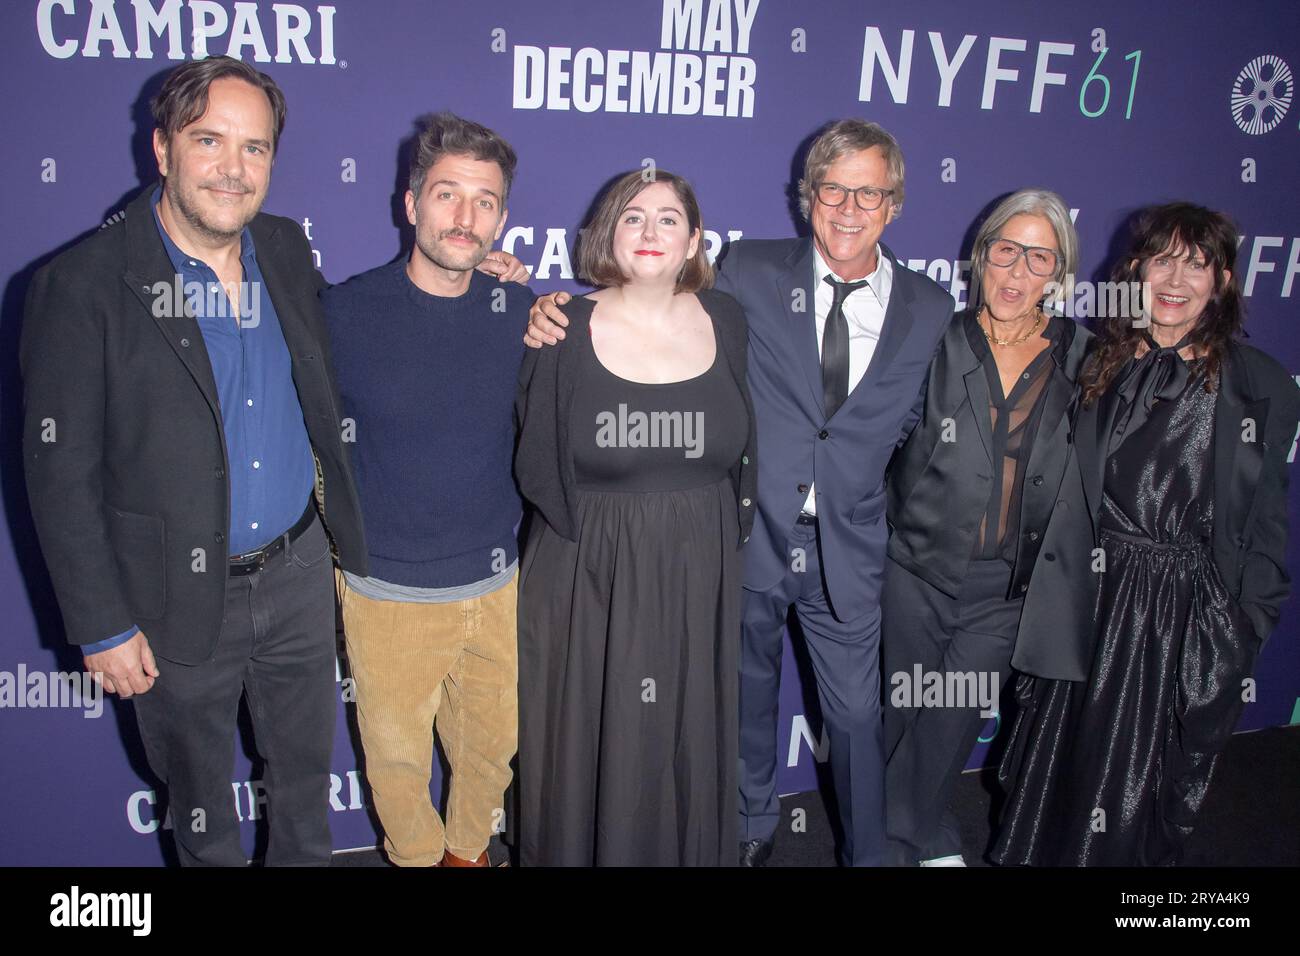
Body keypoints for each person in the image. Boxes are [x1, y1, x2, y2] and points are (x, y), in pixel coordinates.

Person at [525, 120, 954, 866]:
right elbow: (647, 300)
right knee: (739, 697)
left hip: (847, 545)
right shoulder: (750, 274)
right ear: (806, 198)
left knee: (854, 713)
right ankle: (748, 831)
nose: (848, 208)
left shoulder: (930, 307)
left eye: (869, 192)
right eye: (832, 190)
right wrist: (540, 305)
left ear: (895, 204)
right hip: (746, 536)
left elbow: (923, 431)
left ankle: (868, 853)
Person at [20, 56, 368, 866]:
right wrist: (102, 622)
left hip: (297, 578)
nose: (233, 168)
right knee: (202, 818)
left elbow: (347, 350)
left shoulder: (284, 249)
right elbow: (58, 471)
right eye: (209, 140)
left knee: (304, 798)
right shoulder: (84, 284)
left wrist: (468, 276)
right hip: (169, 598)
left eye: (255, 148)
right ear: (163, 148)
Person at [992, 202, 1300, 866]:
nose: (1177, 280)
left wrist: (1244, 627)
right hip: (1087, 600)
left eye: (1198, 264)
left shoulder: (1261, 385)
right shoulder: (1097, 364)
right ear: (1137, 268)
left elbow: (1266, 525)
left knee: (1139, 783)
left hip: (1174, 620)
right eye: (1164, 259)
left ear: (1222, 282)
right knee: (1057, 766)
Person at [514, 169, 756, 866]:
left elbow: (746, 448)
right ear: (605, 236)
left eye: (668, 218)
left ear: (694, 241)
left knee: (683, 741)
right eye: (632, 218)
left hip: (698, 572)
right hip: (586, 579)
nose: (650, 232)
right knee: (590, 744)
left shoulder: (729, 321)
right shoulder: (560, 325)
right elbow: (534, 461)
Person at [323, 113, 533, 868]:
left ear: (502, 218)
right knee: (397, 768)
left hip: (496, 584)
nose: (464, 217)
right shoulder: (342, 315)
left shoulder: (523, 312)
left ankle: (469, 857)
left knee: (490, 754)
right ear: (411, 205)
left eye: (484, 201)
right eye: (447, 195)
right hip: (387, 593)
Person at [881, 189, 1091, 866]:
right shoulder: (932, 337)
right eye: (1006, 251)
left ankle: (901, 836)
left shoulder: (1086, 357)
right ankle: (921, 834)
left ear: (1058, 273)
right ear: (982, 255)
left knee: (950, 720)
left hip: (1008, 589)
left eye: (1039, 257)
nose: (1017, 272)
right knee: (898, 715)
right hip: (913, 568)